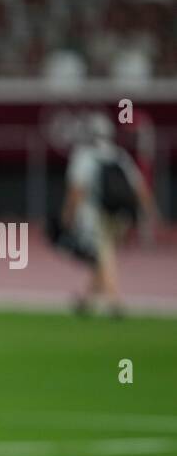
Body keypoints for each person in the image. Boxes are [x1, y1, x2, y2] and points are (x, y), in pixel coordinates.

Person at [59, 113, 160, 317]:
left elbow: (77, 190)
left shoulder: (85, 156)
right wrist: (151, 211)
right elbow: (139, 188)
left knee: (104, 255)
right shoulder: (119, 155)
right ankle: (87, 300)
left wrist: (67, 215)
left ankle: (114, 300)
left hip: (95, 213)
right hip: (120, 214)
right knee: (104, 254)